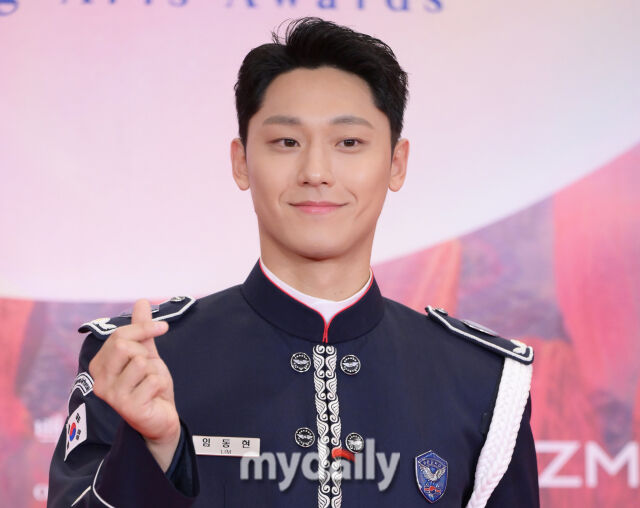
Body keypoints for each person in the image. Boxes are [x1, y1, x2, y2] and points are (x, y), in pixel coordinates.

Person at [47, 16, 539, 508]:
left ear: (396, 163)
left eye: (349, 143)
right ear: (241, 161)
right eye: (286, 142)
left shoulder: (481, 380)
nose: (316, 172)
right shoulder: (140, 361)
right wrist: (153, 449)